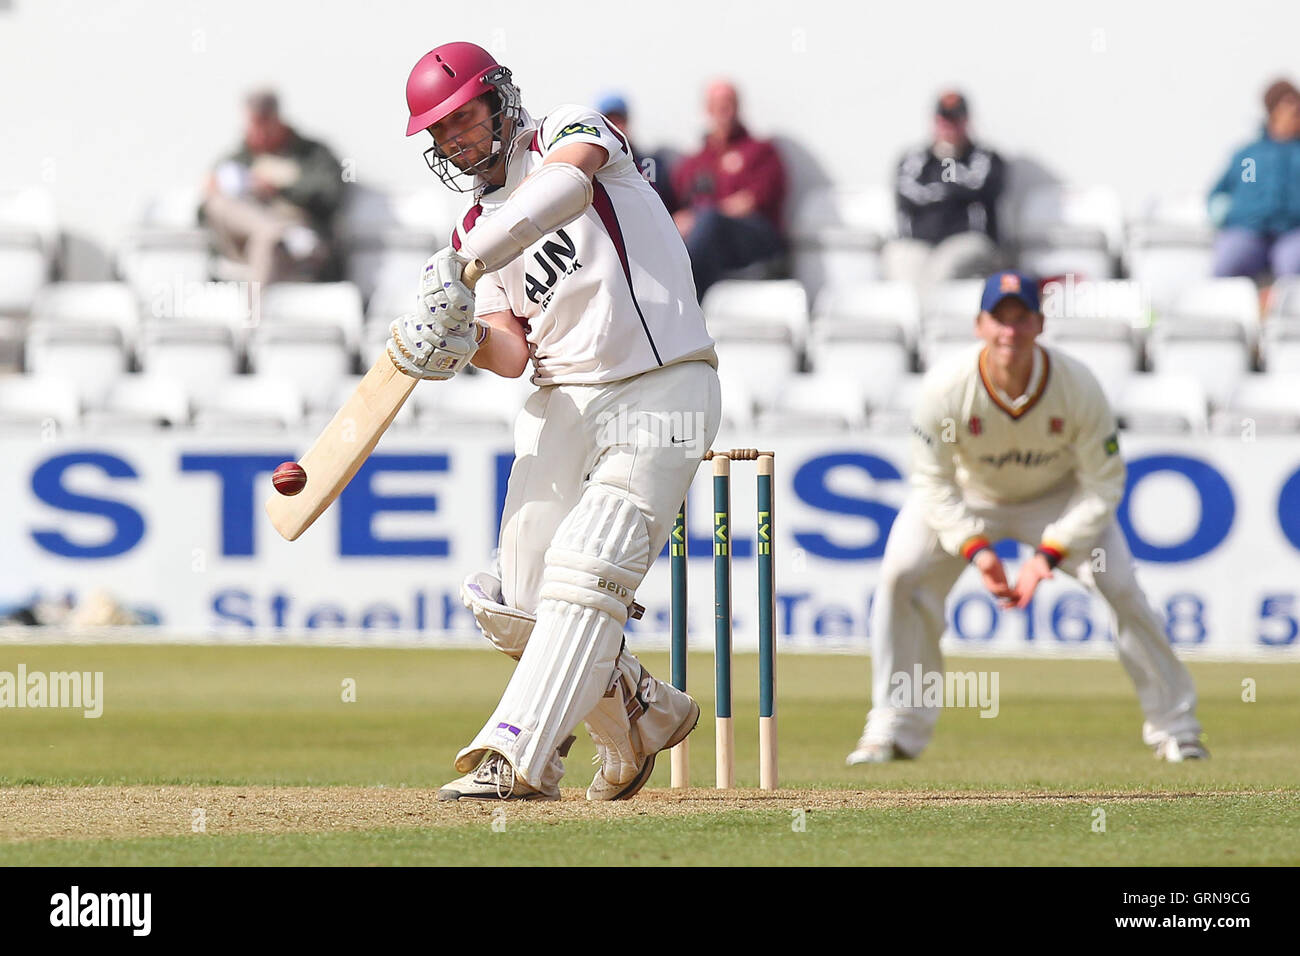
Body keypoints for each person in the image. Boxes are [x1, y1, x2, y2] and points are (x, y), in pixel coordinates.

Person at [391, 42, 720, 801]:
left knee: (587, 562)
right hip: (559, 402)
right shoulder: (471, 224)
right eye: (439, 133)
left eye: (463, 118)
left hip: (662, 384)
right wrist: (462, 338)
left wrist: (465, 267)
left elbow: (566, 189)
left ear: (500, 99)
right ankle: (638, 710)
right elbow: (511, 351)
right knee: (512, 603)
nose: (455, 140)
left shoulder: (571, 132)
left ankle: (520, 757)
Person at [847, 271, 1206, 765]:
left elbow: (1104, 483)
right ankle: (893, 726)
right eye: (1000, 318)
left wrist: (1048, 555)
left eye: (1022, 319)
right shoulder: (947, 388)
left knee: (1120, 585)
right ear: (980, 324)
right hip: (968, 497)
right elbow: (930, 479)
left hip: (1058, 500)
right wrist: (975, 547)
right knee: (900, 577)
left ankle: (1177, 729)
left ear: (1039, 324)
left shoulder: (1077, 385)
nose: (1009, 332)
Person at [201, 90, 343, 288]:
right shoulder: (237, 160)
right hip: (242, 246)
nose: (260, 135)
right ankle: (270, 231)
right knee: (219, 204)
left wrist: (278, 187)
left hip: (295, 246)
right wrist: (215, 189)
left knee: (267, 240)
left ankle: (253, 317)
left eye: (265, 126)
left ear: (278, 121)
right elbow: (204, 215)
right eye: (253, 126)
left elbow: (329, 194)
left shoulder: (312, 155)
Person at [671, 80, 787, 298]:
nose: (724, 110)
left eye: (729, 103)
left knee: (709, 219)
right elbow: (679, 210)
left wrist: (697, 218)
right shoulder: (694, 162)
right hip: (708, 245)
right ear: (707, 110)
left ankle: (685, 298)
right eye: (717, 104)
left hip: (755, 239)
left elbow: (748, 203)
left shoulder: (761, 151)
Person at [883, 91, 1005, 286]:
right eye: (944, 121)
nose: (949, 128)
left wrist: (935, 192)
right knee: (899, 259)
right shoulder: (914, 160)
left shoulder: (985, 158)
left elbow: (983, 189)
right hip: (919, 244)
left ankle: (928, 315)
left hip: (967, 242)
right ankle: (915, 315)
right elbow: (906, 195)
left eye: (955, 121)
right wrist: (951, 192)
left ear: (966, 121)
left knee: (943, 266)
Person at [1209, 78, 1300, 280]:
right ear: (1273, 111)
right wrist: (1221, 212)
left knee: (1292, 263)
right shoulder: (1248, 156)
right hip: (1248, 230)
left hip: (1293, 231)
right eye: (1289, 108)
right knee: (1229, 259)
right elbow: (1218, 193)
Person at [595, 93, 679, 213]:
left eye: (619, 120)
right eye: (609, 122)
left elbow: (669, 206)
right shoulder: (592, 170)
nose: (615, 127)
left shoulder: (650, 164)